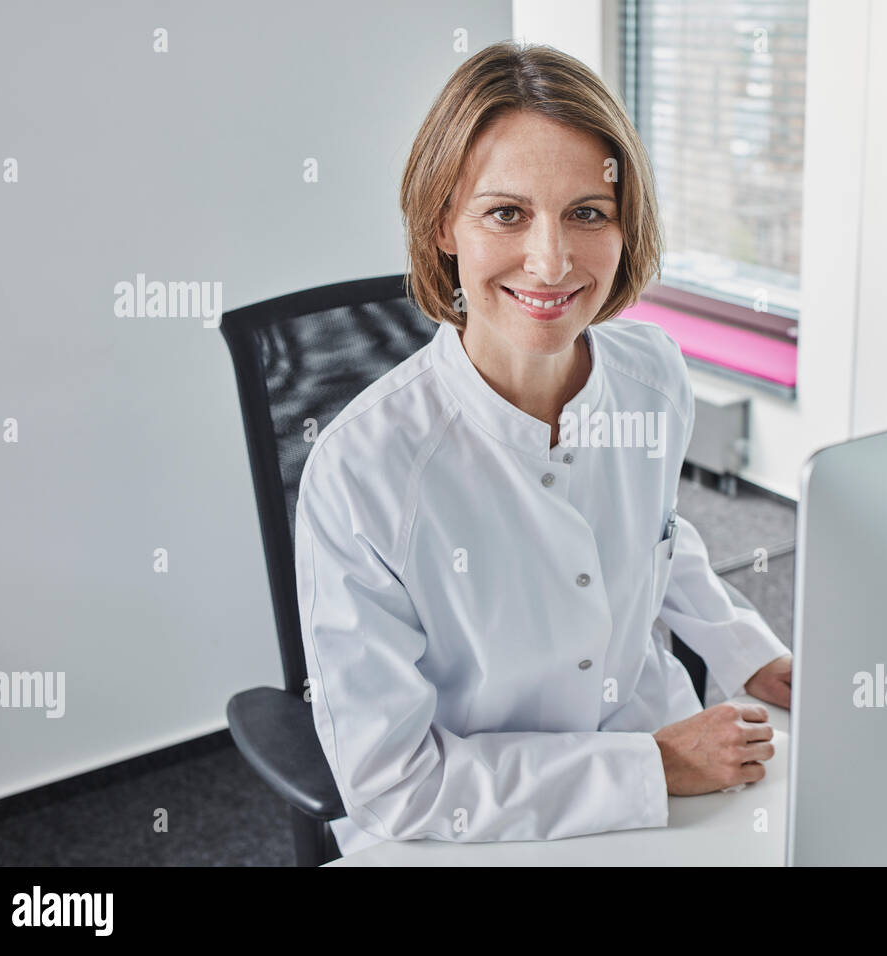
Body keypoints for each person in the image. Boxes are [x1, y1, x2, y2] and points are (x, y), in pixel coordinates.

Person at [294, 39, 793, 854]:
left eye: (587, 213)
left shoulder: (654, 375)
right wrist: (647, 767)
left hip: (672, 776)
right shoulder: (364, 469)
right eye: (506, 213)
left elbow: (661, 538)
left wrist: (746, 651)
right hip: (478, 826)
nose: (552, 260)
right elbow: (396, 785)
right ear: (442, 223)